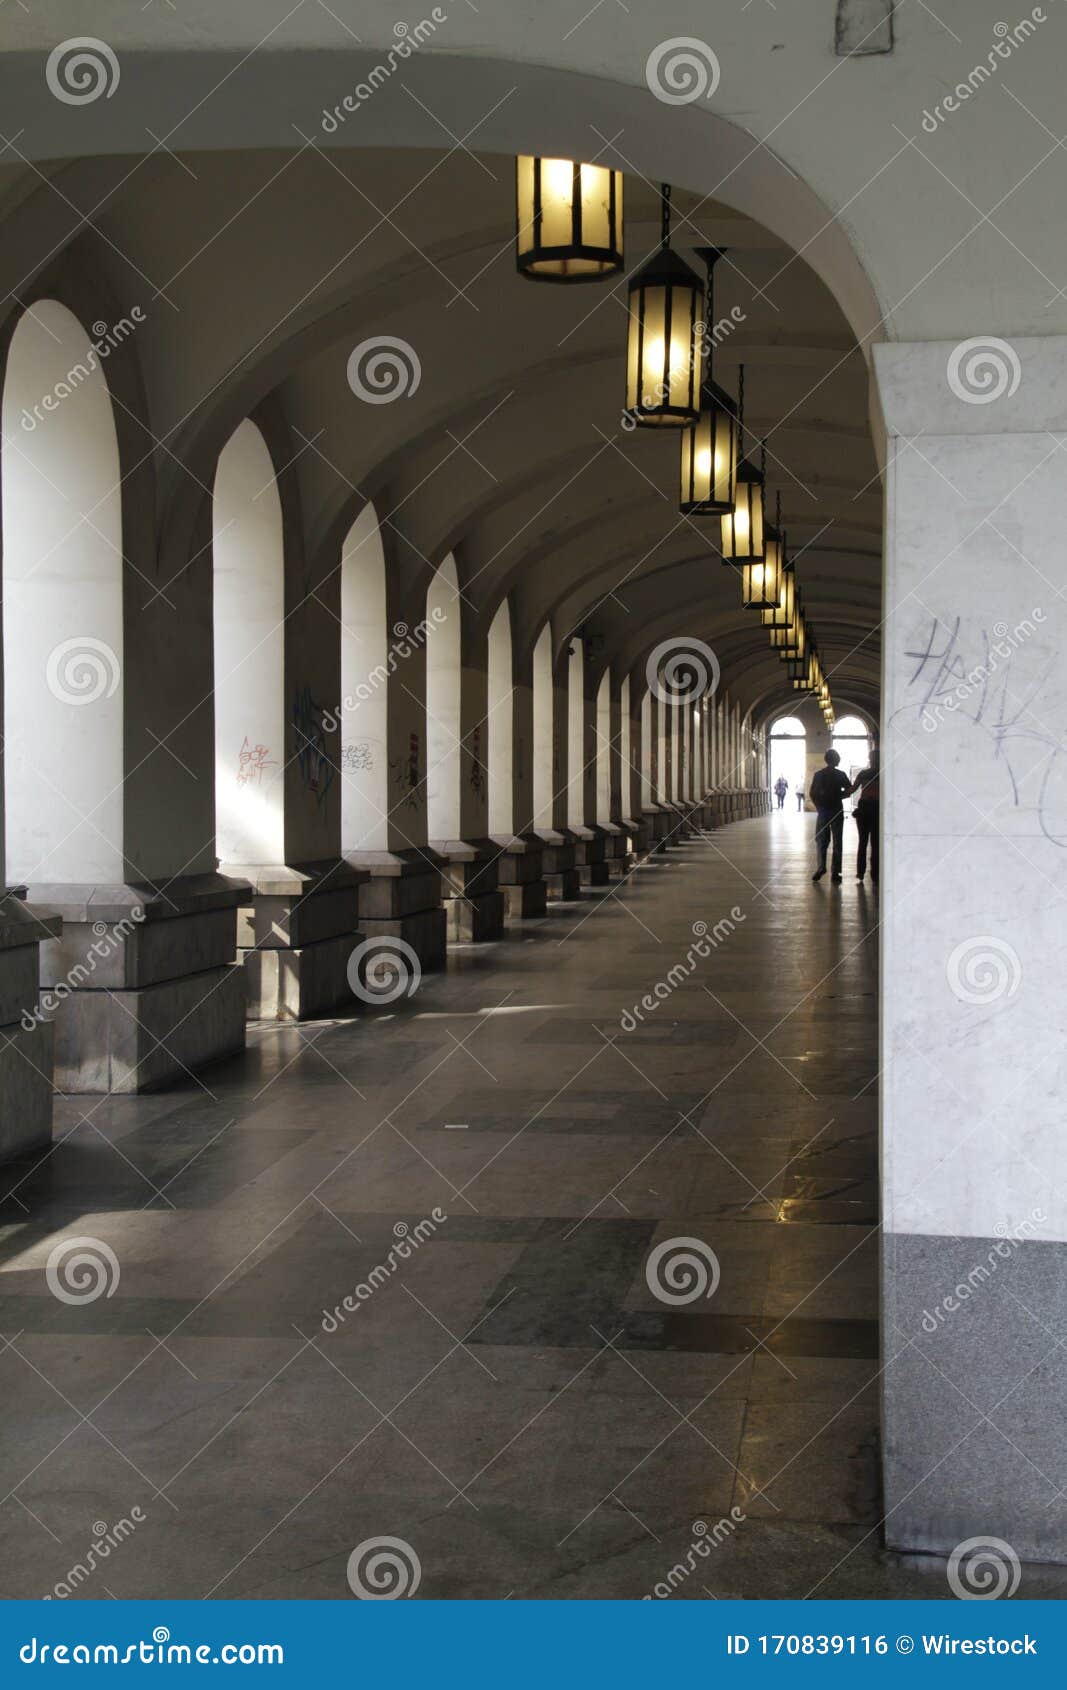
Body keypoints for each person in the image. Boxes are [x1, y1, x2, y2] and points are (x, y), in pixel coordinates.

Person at [809, 749, 853, 883]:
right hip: (836, 809)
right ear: (836, 760)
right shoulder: (840, 775)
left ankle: (821, 867)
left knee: (821, 840)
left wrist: (818, 807)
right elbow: (849, 790)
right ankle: (836, 872)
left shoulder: (818, 775)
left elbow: (812, 793)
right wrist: (840, 795)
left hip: (823, 810)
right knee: (837, 841)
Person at [851, 749, 879, 882]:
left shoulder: (863, 773)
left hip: (863, 810)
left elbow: (852, 789)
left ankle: (860, 873)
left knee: (862, 842)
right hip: (877, 810)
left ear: (870, 759)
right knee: (875, 843)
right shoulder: (884, 772)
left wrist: (836, 793)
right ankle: (875, 873)